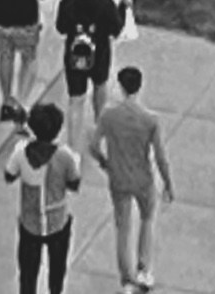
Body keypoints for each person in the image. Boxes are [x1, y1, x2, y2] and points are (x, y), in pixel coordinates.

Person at [90, 66, 172, 291]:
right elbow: (161, 156)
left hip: (118, 179)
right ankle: (144, 271)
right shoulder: (150, 120)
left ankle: (126, 280)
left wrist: (105, 163)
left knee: (123, 228)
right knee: (147, 220)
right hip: (143, 178)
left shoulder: (108, 116)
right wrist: (168, 183)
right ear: (140, 86)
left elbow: (93, 145)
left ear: (121, 86)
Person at [3, 99, 80, 294]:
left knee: (27, 276)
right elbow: (74, 184)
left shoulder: (21, 151)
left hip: (30, 223)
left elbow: (9, 176)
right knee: (57, 272)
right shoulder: (65, 156)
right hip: (57, 222)